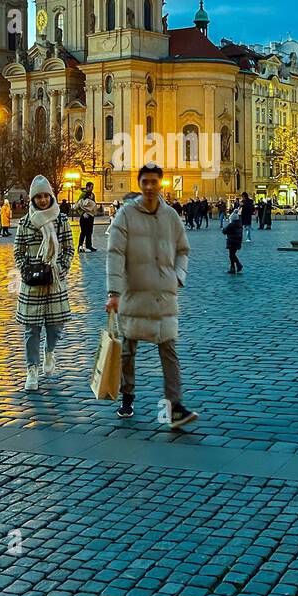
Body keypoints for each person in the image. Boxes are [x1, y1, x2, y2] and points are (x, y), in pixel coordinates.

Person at [106, 164, 197, 428]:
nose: (149, 187)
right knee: (127, 350)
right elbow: (115, 254)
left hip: (163, 296)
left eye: (153, 182)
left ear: (160, 185)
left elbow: (183, 249)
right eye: (144, 182)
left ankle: (175, 406)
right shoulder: (125, 215)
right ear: (139, 184)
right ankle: (127, 395)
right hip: (133, 294)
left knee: (169, 350)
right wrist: (113, 292)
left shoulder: (170, 216)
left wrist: (178, 276)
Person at [14, 175, 73, 391]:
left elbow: (68, 248)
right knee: (31, 329)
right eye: (37, 197)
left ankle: (49, 352)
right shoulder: (25, 222)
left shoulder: (61, 220)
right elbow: (18, 250)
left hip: (55, 280)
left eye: (45, 196)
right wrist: (25, 269)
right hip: (32, 283)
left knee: (55, 326)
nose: (42, 200)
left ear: (51, 196)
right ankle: (32, 370)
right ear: (32, 199)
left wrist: (62, 269)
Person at [77, 183, 99, 253]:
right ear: (87, 187)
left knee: (90, 231)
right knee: (83, 232)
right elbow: (78, 205)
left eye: (93, 187)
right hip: (84, 216)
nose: (92, 188)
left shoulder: (93, 195)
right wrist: (82, 214)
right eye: (91, 187)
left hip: (91, 216)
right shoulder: (82, 194)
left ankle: (89, 246)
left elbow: (94, 204)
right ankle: (80, 246)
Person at [222, 204, 244, 274]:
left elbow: (224, 231)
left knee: (231, 255)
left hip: (232, 241)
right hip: (237, 240)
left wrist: (223, 229)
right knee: (232, 254)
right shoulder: (239, 223)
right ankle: (235, 266)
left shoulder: (232, 224)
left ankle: (235, 267)